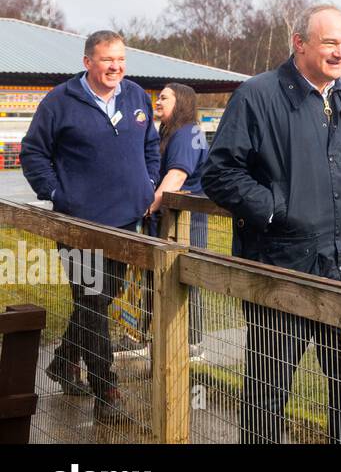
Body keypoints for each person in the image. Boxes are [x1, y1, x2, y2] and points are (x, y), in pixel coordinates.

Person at [202, 4, 341, 444]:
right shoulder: (258, 96)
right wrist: (279, 210)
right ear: (299, 44)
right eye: (329, 43)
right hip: (282, 266)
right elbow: (220, 173)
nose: (340, 53)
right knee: (269, 383)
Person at [20, 29, 159, 423]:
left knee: (98, 299)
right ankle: (107, 391)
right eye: (107, 60)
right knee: (94, 302)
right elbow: (33, 152)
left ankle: (63, 363)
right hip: (80, 226)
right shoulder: (61, 101)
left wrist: (149, 182)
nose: (116, 67)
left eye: (121, 59)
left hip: (127, 222)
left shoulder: (135, 96)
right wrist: (57, 194)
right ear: (87, 63)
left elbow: (150, 144)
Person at [144, 82, 210, 356]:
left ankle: (191, 343)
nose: (157, 102)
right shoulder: (167, 132)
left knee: (185, 278)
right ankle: (148, 334)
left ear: (180, 102)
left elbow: (176, 177)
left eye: (164, 98)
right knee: (156, 278)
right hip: (164, 220)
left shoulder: (187, 133)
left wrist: (147, 206)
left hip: (185, 222)